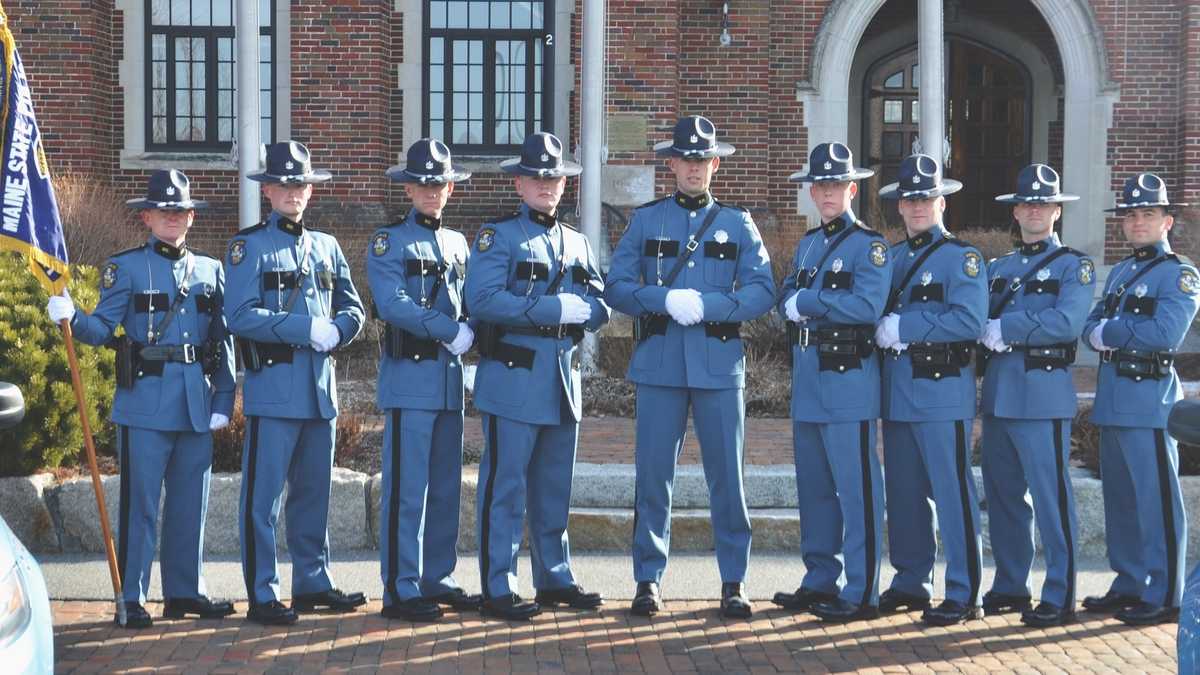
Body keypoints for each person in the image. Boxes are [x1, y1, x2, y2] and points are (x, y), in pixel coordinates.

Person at [46, 170, 235, 628]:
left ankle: (185, 591)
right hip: (145, 403)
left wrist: (224, 400)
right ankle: (130, 596)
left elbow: (221, 341)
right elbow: (101, 330)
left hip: (195, 402)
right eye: (164, 211)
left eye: (181, 211)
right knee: (141, 506)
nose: (172, 219)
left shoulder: (211, 270)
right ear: (147, 217)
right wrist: (70, 316)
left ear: (191, 217)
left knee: (192, 504)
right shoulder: (126, 267)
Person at [606, 115, 775, 619]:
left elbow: (763, 290)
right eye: (687, 159)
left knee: (728, 477)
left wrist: (710, 306)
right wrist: (662, 298)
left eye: (704, 160)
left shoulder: (738, 223)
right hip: (659, 365)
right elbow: (615, 287)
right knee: (654, 476)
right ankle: (648, 579)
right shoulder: (646, 220)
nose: (695, 168)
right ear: (672, 164)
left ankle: (734, 579)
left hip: (719, 368)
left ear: (715, 164)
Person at [464, 132, 611, 621]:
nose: (547, 185)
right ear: (520, 183)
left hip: (561, 381)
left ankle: (554, 577)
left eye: (555, 177)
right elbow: (482, 301)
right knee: (505, 487)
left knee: (554, 487)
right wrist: (552, 306)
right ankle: (497, 585)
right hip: (513, 378)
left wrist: (588, 313)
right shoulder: (498, 236)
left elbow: (601, 300)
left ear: (565, 184)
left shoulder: (576, 241)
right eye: (537, 177)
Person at [224, 141, 366, 625]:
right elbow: (239, 315)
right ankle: (263, 592)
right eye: (284, 184)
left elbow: (353, 307)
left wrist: (340, 330)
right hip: (275, 389)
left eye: (300, 184)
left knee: (314, 495)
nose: (293, 192)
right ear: (267, 189)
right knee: (263, 501)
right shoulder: (248, 247)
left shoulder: (326, 245)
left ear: (310, 190)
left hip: (319, 391)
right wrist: (305, 328)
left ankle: (312, 581)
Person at [770, 141, 889, 624]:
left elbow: (867, 308)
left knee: (857, 492)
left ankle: (861, 590)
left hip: (848, 385)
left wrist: (811, 302)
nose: (826, 193)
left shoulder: (870, 246)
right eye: (819, 185)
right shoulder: (808, 244)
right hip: (810, 383)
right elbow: (784, 297)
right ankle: (820, 578)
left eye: (835, 184)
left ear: (852, 189)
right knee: (815, 490)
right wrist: (795, 302)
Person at [368, 138, 480, 621]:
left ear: (451, 187)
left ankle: (438, 575)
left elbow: (472, 300)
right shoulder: (389, 241)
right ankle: (401, 586)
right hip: (410, 377)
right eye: (423, 184)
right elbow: (393, 305)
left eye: (439, 184)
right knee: (406, 488)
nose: (432, 191)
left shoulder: (458, 243)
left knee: (446, 486)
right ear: (408, 189)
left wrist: (475, 332)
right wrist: (450, 330)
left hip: (449, 380)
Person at [1081, 172, 1199, 626]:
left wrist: (1110, 332)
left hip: (1149, 401)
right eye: (1131, 215)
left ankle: (1166, 593)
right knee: (1122, 501)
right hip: (1114, 398)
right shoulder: (1124, 272)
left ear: (1167, 221)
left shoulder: (1180, 275)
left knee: (1157, 502)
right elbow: (1089, 326)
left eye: (1148, 213)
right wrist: (1104, 333)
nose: (1138, 222)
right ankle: (1128, 582)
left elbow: (1165, 333)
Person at [978, 163, 1093, 628]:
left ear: (1056, 212)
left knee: (1051, 500)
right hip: (1000, 396)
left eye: (1042, 204)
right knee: (1004, 498)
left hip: (1042, 397)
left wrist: (1008, 327)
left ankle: (1061, 593)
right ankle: (1010, 584)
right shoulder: (998, 268)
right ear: (1016, 212)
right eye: (1026, 204)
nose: (1033, 210)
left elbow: (1067, 323)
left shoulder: (1074, 266)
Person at [873, 154, 986, 626]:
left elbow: (969, 321)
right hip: (896, 392)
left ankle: (964, 591)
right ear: (900, 206)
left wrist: (907, 326)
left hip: (941, 394)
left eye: (926, 198)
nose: (918, 206)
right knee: (904, 493)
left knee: (951, 492)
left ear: (942, 202)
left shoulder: (963, 258)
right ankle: (911, 580)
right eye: (910, 199)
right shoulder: (892, 257)